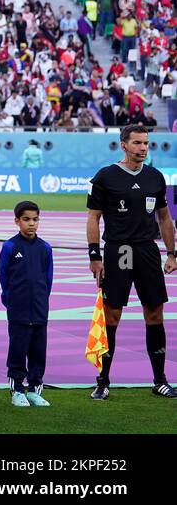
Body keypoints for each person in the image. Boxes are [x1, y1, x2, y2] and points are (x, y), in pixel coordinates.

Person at [86, 125, 177, 399]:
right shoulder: (105, 177)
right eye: (137, 143)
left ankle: (159, 380)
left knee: (155, 312)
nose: (143, 148)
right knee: (112, 315)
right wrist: (94, 256)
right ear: (123, 145)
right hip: (118, 250)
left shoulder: (155, 177)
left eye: (146, 143)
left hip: (148, 251)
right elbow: (93, 218)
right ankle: (103, 381)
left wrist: (172, 253)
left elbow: (164, 218)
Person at [0, 201, 53, 407]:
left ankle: (35, 389)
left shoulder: (45, 248)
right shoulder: (10, 246)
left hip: (40, 308)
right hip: (18, 308)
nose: (31, 223)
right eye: (26, 219)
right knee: (18, 349)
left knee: (39, 351)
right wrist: (11, 299)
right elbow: (3, 275)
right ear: (17, 221)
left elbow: (48, 279)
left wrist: (41, 299)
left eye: (35, 219)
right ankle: (17, 390)